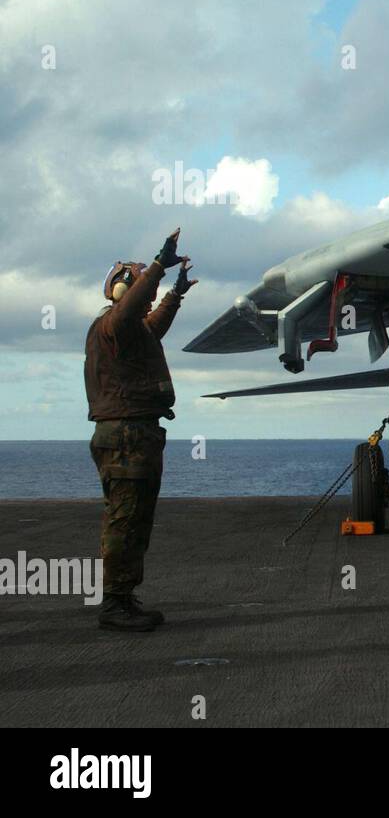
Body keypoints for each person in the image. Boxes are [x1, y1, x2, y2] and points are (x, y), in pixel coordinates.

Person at [84, 228, 197, 632]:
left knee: (134, 518)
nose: (146, 298)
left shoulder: (131, 330)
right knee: (125, 519)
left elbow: (153, 324)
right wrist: (158, 267)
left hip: (137, 434)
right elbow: (133, 313)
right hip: (126, 435)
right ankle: (114, 604)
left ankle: (123, 597)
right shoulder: (112, 324)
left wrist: (175, 295)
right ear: (120, 290)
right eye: (139, 288)